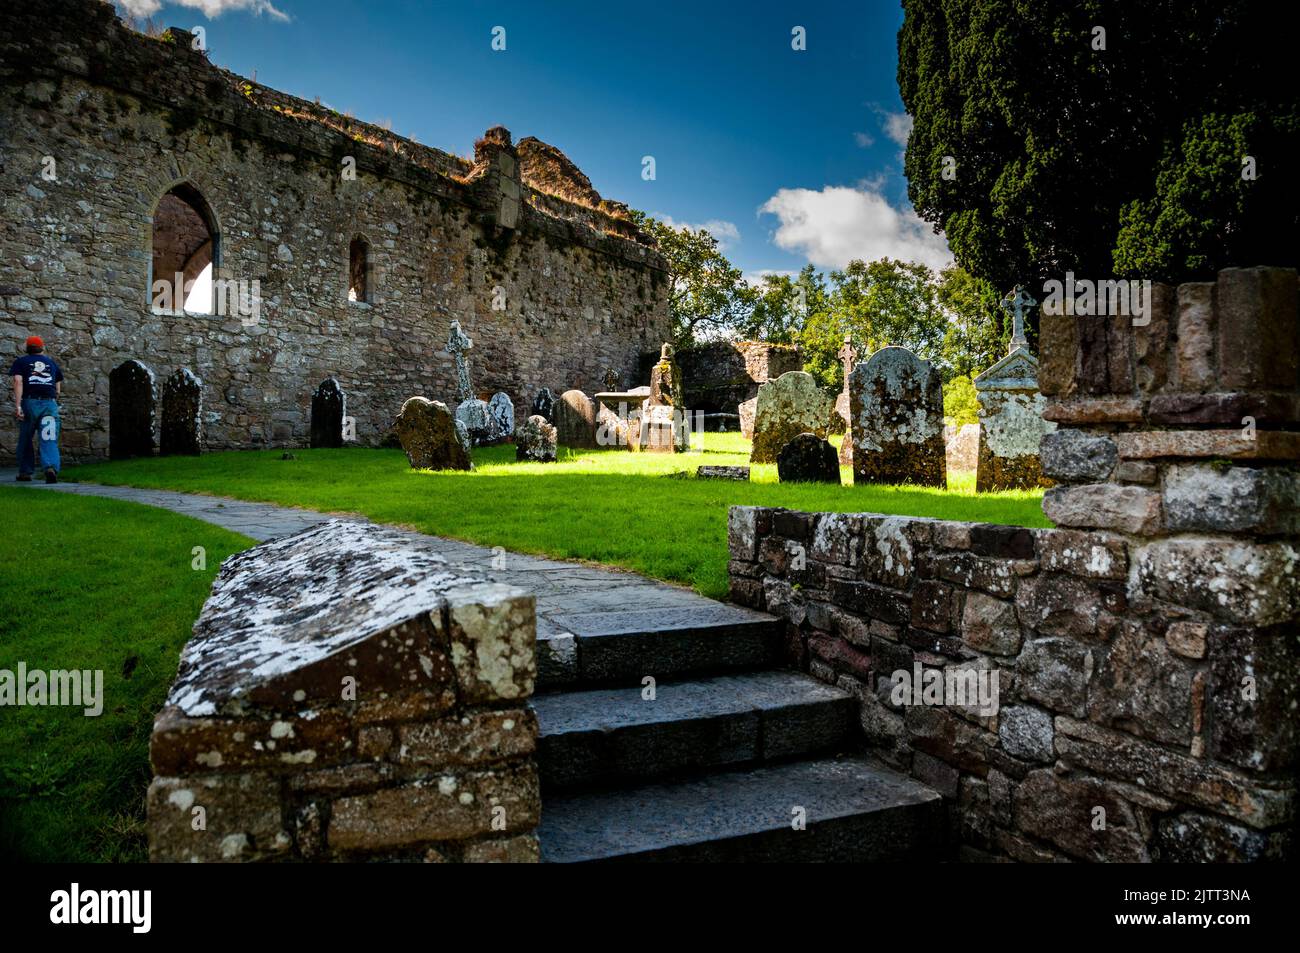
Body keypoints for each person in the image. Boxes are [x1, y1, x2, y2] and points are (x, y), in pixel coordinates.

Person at [10, 335, 63, 484]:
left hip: (29, 402)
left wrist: (18, 405)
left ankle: (25, 472)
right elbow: (57, 389)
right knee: (49, 437)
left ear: (27, 348)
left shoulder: (21, 362)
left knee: (26, 438)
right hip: (49, 404)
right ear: (42, 347)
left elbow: (18, 381)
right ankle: (50, 468)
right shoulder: (51, 364)